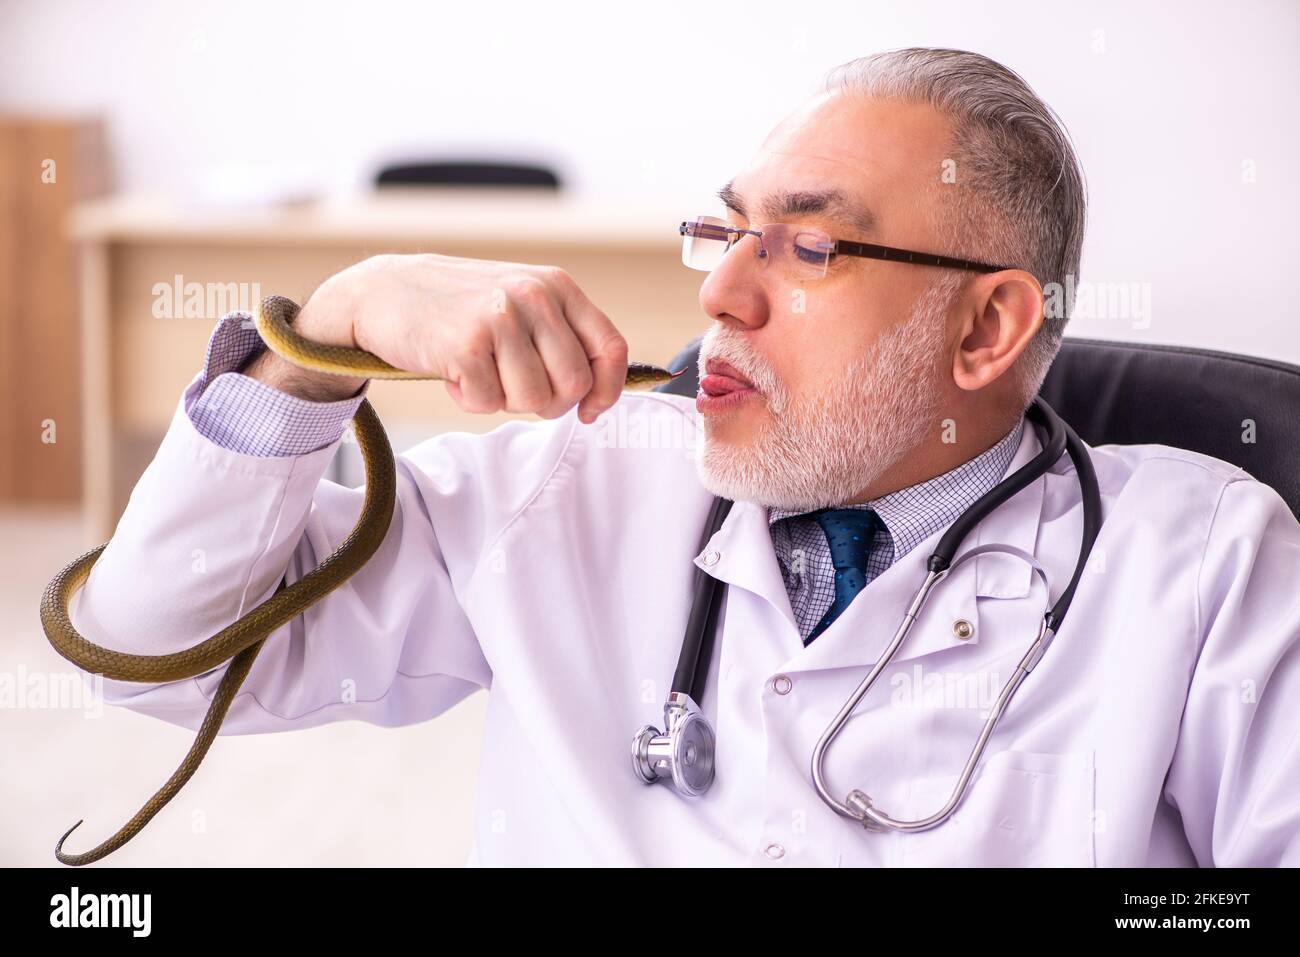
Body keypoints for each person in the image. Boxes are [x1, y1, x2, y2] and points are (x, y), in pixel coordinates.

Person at [70, 48, 1300, 866]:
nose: (720, 290)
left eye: (806, 249)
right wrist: (321, 339)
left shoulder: (1200, 563)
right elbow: (154, 652)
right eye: (723, 230)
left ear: (987, 327)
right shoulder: (577, 480)